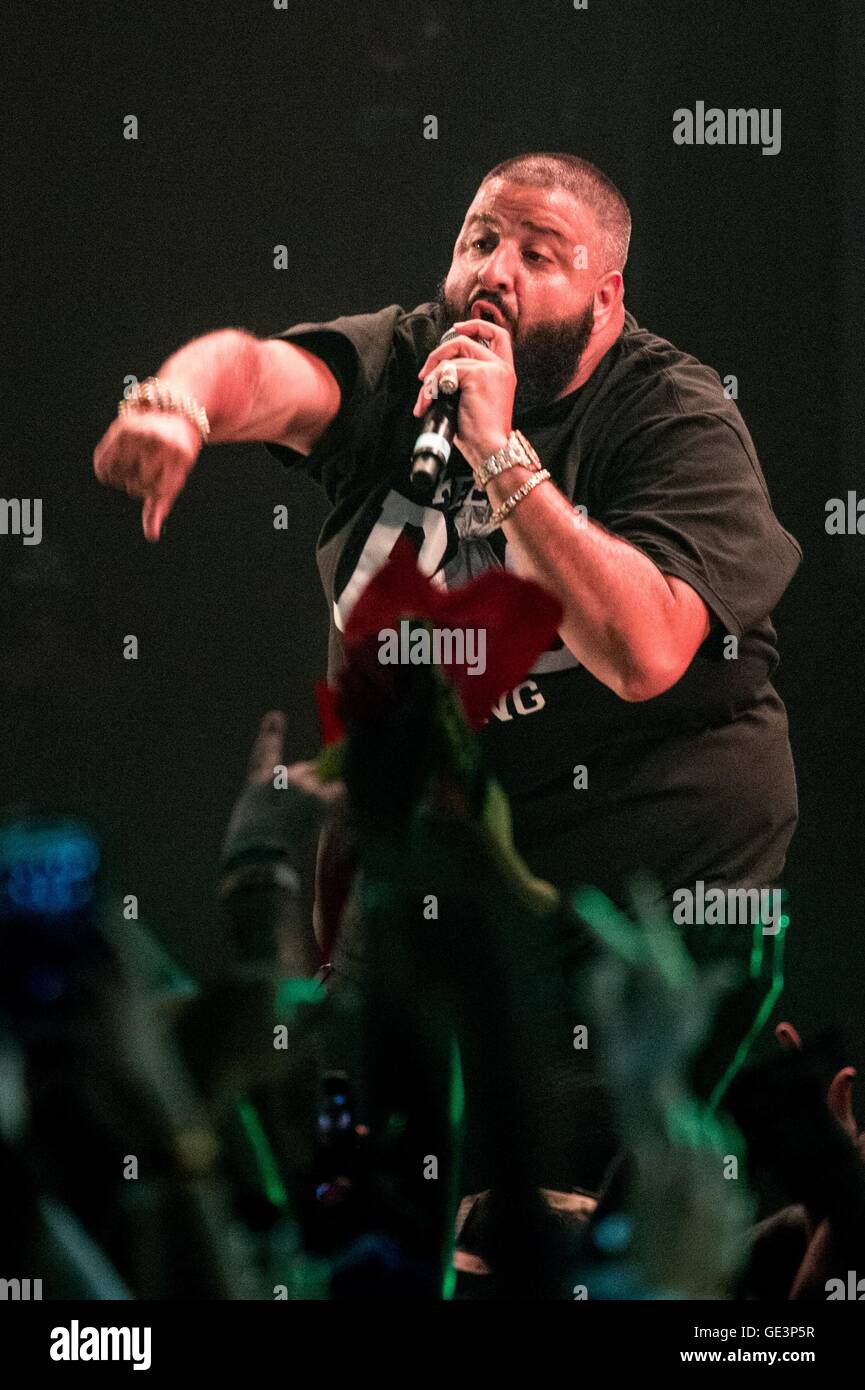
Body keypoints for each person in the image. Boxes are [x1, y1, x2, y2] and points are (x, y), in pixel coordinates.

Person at [93, 152, 802, 1200]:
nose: (494, 270)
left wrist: (503, 452)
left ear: (606, 296)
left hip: (646, 864)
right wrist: (178, 401)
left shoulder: (671, 417)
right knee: (361, 1173)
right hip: (453, 854)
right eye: (479, 240)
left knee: (560, 1197)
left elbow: (643, 650)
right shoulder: (410, 364)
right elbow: (257, 372)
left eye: (537, 254)